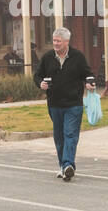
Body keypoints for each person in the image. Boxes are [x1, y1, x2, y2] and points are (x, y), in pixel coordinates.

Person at [35, 26, 95, 181]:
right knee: (59, 137)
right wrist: (40, 83)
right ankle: (63, 166)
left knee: (70, 134)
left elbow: (87, 74)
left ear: (67, 42)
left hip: (73, 104)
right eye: (54, 40)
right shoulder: (48, 57)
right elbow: (37, 75)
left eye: (58, 41)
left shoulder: (78, 57)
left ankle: (68, 165)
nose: (55, 43)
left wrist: (89, 83)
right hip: (54, 104)